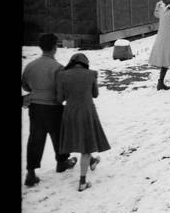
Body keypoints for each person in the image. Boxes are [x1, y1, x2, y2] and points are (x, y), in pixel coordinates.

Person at [21, 33, 76, 187]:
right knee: (59, 135)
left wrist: (36, 91)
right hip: (53, 107)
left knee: (35, 138)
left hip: (35, 107)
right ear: (55, 47)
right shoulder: (58, 68)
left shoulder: (30, 66)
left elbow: (25, 85)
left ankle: (31, 172)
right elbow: (62, 89)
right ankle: (62, 162)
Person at [56, 53, 109, 192]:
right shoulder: (91, 74)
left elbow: (59, 98)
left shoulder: (62, 75)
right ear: (86, 63)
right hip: (87, 112)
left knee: (81, 141)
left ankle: (92, 161)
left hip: (70, 112)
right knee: (86, 147)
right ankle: (82, 182)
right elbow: (95, 94)